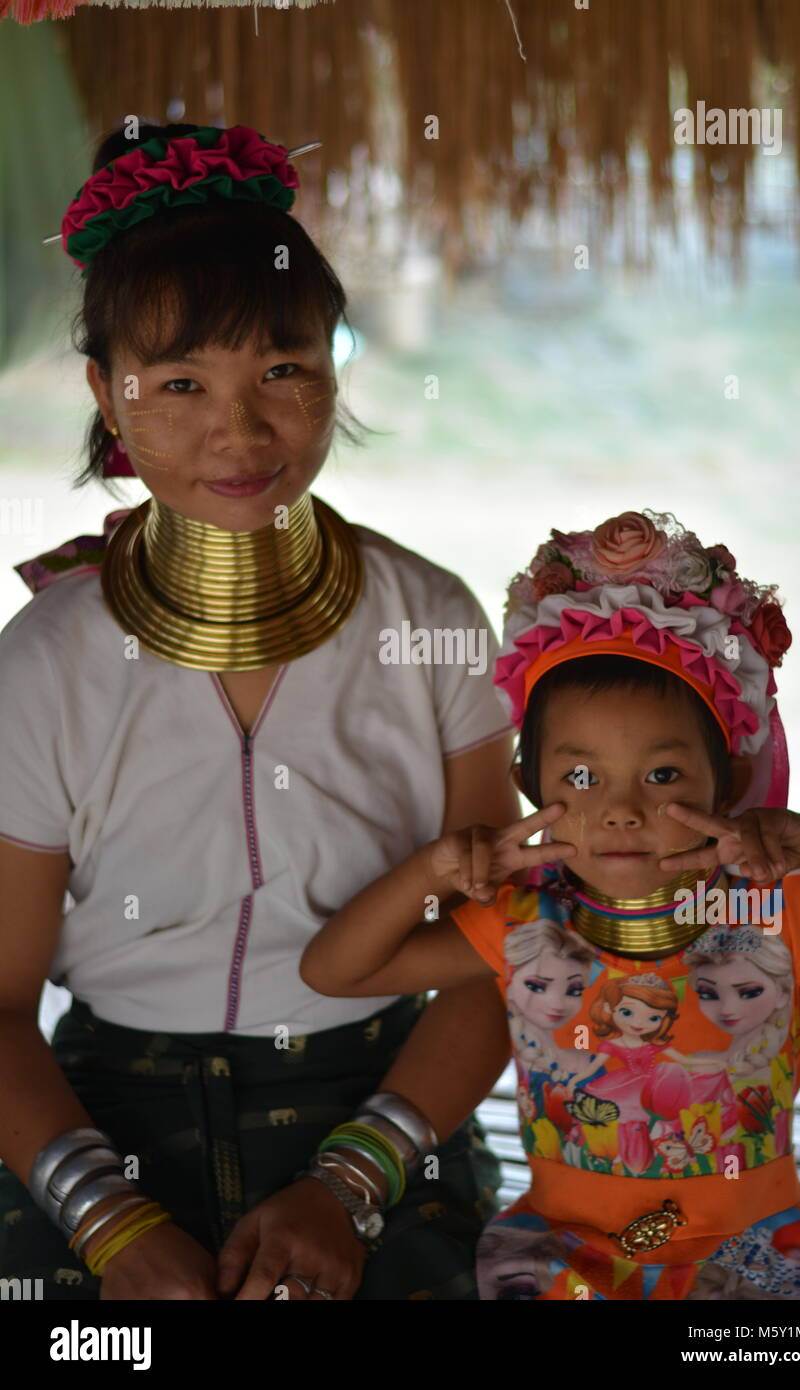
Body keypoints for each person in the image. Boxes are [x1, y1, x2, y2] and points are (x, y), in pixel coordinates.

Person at [0, 122, 520, 1301]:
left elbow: (495, 961)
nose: (239, 432)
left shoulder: (427, 618)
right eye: (180, 383)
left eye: (281, 372)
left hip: (384, 1095)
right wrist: (110, 1223)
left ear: (333, 372)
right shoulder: (44, 663)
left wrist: (353, 1180)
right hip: (97, 1107)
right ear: (106, 391)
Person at [301, 507, 800, 1300]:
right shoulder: (524, 927)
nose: (620, 810)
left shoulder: (775, 911)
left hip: (750, 1268)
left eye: (663, 776)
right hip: (564, 1269)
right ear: (532, 786)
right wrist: (436, 865)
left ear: (730, 784)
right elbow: (334, 970)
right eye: (580, 777)